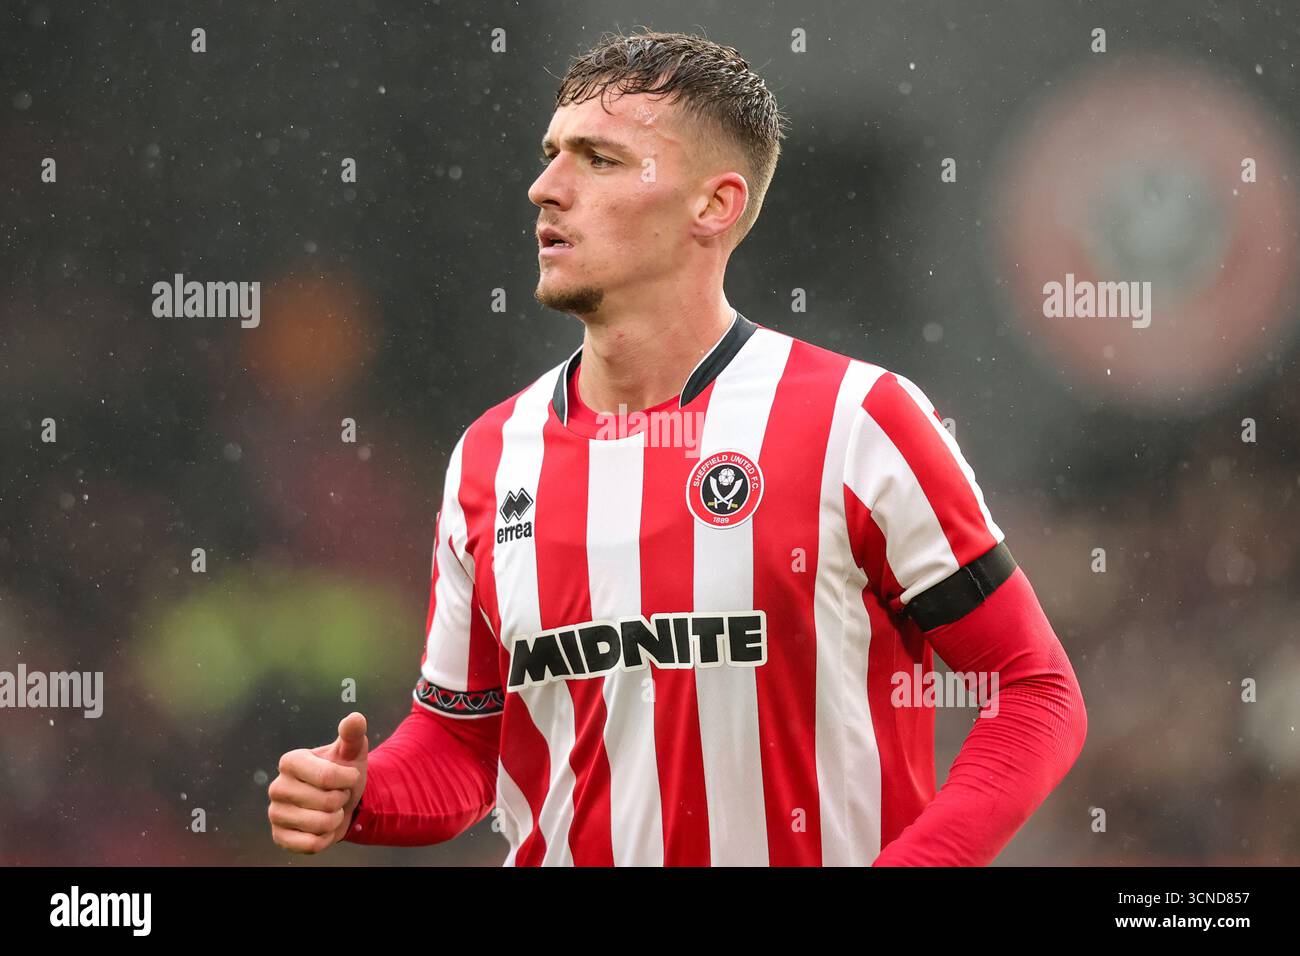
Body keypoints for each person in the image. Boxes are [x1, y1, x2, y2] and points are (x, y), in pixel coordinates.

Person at [268, 28, 1086, 866]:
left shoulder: (858, 419)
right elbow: (463, 743)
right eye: (552, 154)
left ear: (714, 204)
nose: (544, 188)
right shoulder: (492, 454)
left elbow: (1035, 691)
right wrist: (361, 794)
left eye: (599, 159)